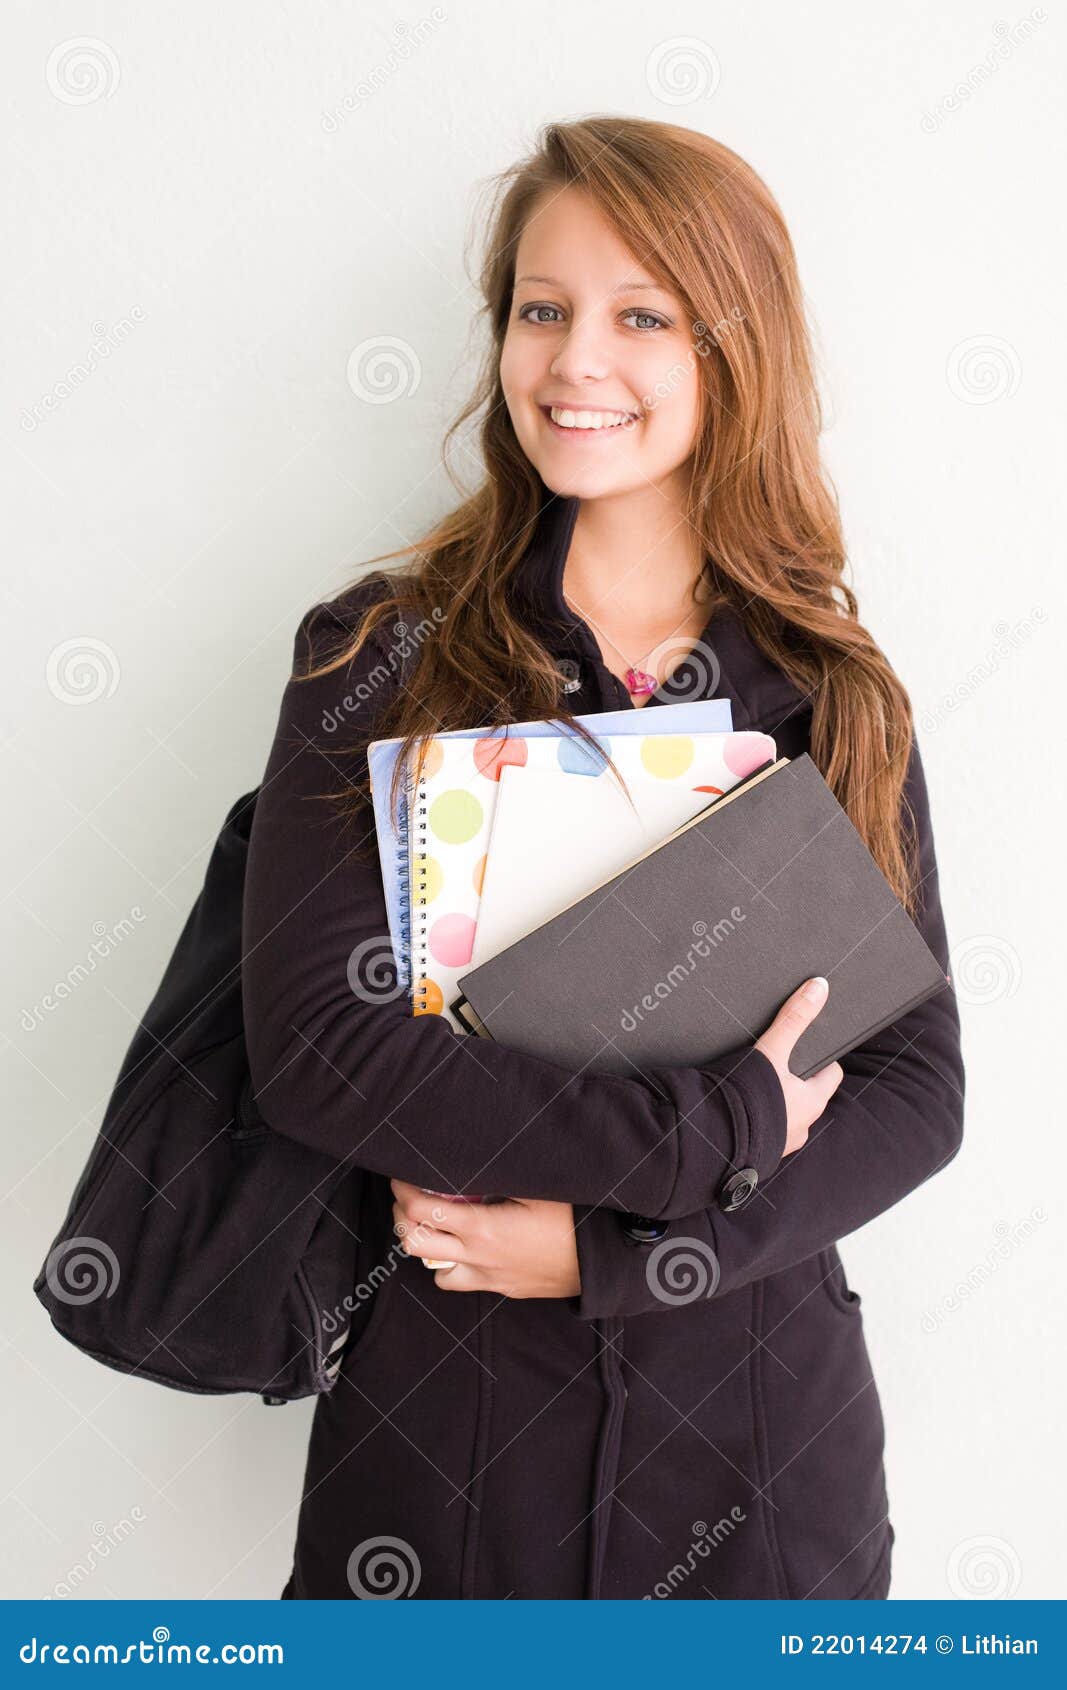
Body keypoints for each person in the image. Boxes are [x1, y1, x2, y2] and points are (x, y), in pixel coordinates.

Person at [241, 115, 965, 1600]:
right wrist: (705, 1134)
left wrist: (617, 1253)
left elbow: (916, 1087)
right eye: (542, 309)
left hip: (766, 1456)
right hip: (450, 1454)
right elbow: (317, 1046)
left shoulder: (832, 692)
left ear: (732, 347)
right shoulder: (381, 656)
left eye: (642, 316)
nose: (576, 361)